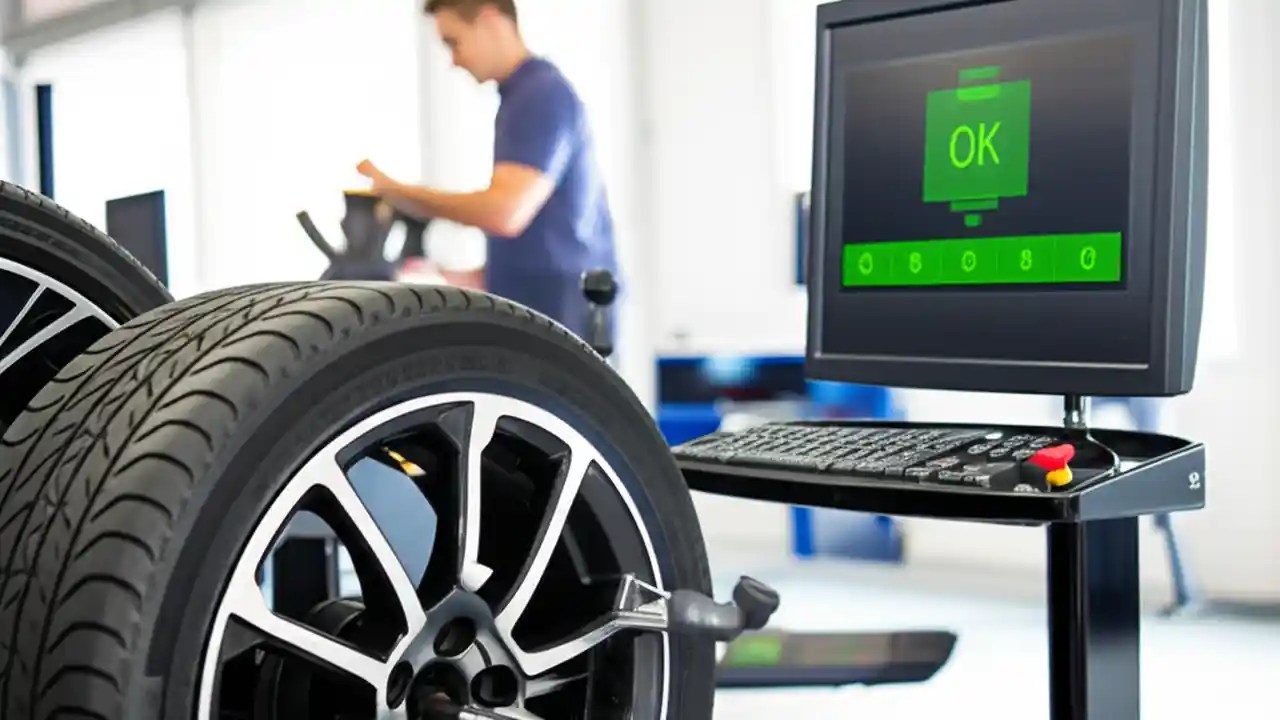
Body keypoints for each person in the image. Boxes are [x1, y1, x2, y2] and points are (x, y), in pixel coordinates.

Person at [356, 0, 619, 342]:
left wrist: (398, 193)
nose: (454, 60)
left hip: (566, 313)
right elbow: (538, 238)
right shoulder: (520, 98)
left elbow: (505, 213)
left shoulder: (540, 94)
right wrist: (458, 278)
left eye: (454, 42)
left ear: (490, 19)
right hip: (548, 306)